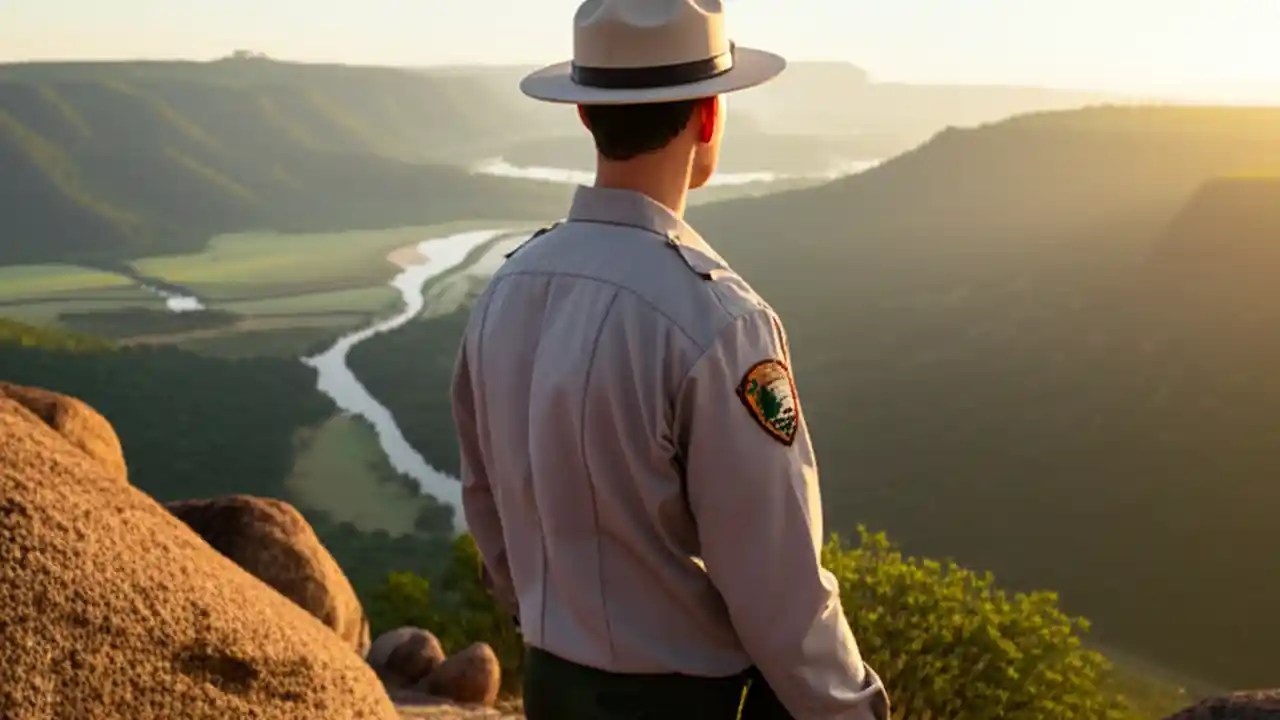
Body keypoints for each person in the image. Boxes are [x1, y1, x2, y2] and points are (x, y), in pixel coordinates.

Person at [450, 1, 890, 717]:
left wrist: (546, 616)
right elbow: (778, 586)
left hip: (548, 687)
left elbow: (486, 504)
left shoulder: (507, 289)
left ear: (586, 115)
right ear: (710, 116)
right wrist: (851, 709)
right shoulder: (721, 323)